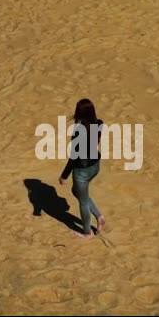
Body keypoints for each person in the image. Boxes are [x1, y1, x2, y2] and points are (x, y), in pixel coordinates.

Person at [58, 99, 106, 239]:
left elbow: (74, 157)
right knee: (76, 191)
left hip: (82, 171)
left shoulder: (79, 132)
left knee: (83, 201)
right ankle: (99, 217)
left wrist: (64, 175)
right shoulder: (99, 124)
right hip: (95, 166)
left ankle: (87, 232)